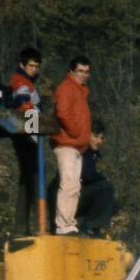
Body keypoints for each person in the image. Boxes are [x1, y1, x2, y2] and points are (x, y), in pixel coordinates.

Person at [48, 120, 116, 237]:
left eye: (101, 138)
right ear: (87, 134)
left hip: (75, 194)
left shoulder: (91, 153)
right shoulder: (83, 151)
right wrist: (103, 179)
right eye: (95, 136)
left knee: (113, 203)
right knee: (106, 188)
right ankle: (90, 226)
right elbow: (87, 174)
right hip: (63, 198)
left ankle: (85, 224)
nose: (99, 141)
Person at [51, 56, 93, 235]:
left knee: (74, 186)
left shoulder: (81, 92)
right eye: (80, 71)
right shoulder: (66, 88)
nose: (83, 75)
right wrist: (76, 132)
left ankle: (69, 223)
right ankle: (63, 225)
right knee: (69, 184)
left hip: (77, 146)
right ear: (71, 71)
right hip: (66, 143)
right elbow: (62, 113)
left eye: (86, 72)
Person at [9, 47, 43, 234]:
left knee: (27, 180)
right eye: (31, 66)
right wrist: (34, 134)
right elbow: (25, 108)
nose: (34, 69)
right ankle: (39, 226)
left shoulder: (26, 82)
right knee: (35, 177)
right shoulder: (21, 83)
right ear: (22, 65)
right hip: (25, 136)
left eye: (37, 66)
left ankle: (21, 228)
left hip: (25, 135)